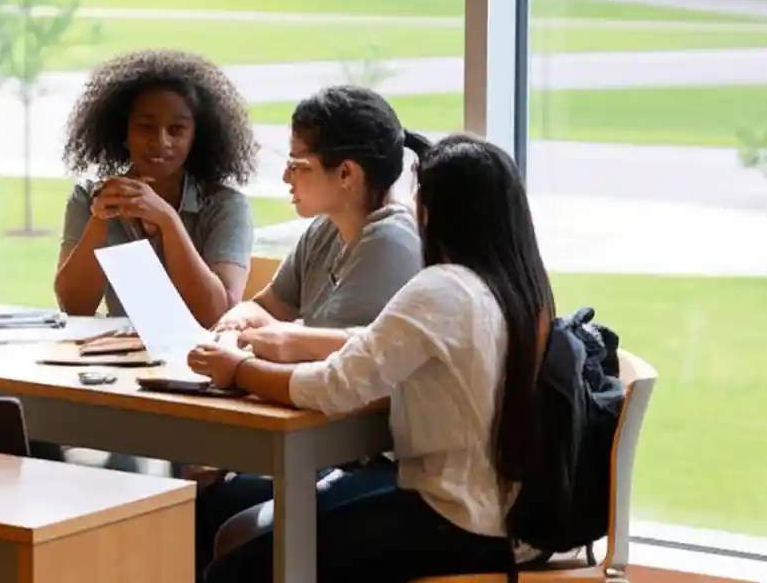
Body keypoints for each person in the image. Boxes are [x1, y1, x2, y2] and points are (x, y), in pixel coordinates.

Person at [187, 134, 553, 582]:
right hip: (508, 521)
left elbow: (331, 389)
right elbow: (385, 343)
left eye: (420, 193)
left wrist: (238, 370)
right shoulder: (518, 291)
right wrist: (290, 342)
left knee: (237, 572)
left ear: (442, 210)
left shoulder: (441, 288)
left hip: (450, 518)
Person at [214, 85, 430, 363]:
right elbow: (267, 306)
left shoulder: (389, 244)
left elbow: (329, 360)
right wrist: (237, 321)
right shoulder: (325, 228)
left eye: (297, 165)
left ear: (345, 173)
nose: (285, 177)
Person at [56, 49, 258, 328]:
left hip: (199, 363)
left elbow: (216, 315)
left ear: (196, 138)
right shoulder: (88, 199)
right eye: (145, 127)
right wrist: (99, 221)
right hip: (114, 359)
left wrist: (167, 220)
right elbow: (75, 307)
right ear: (123, 132)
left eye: (176, 130)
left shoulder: (226, 206)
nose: (160, 141)